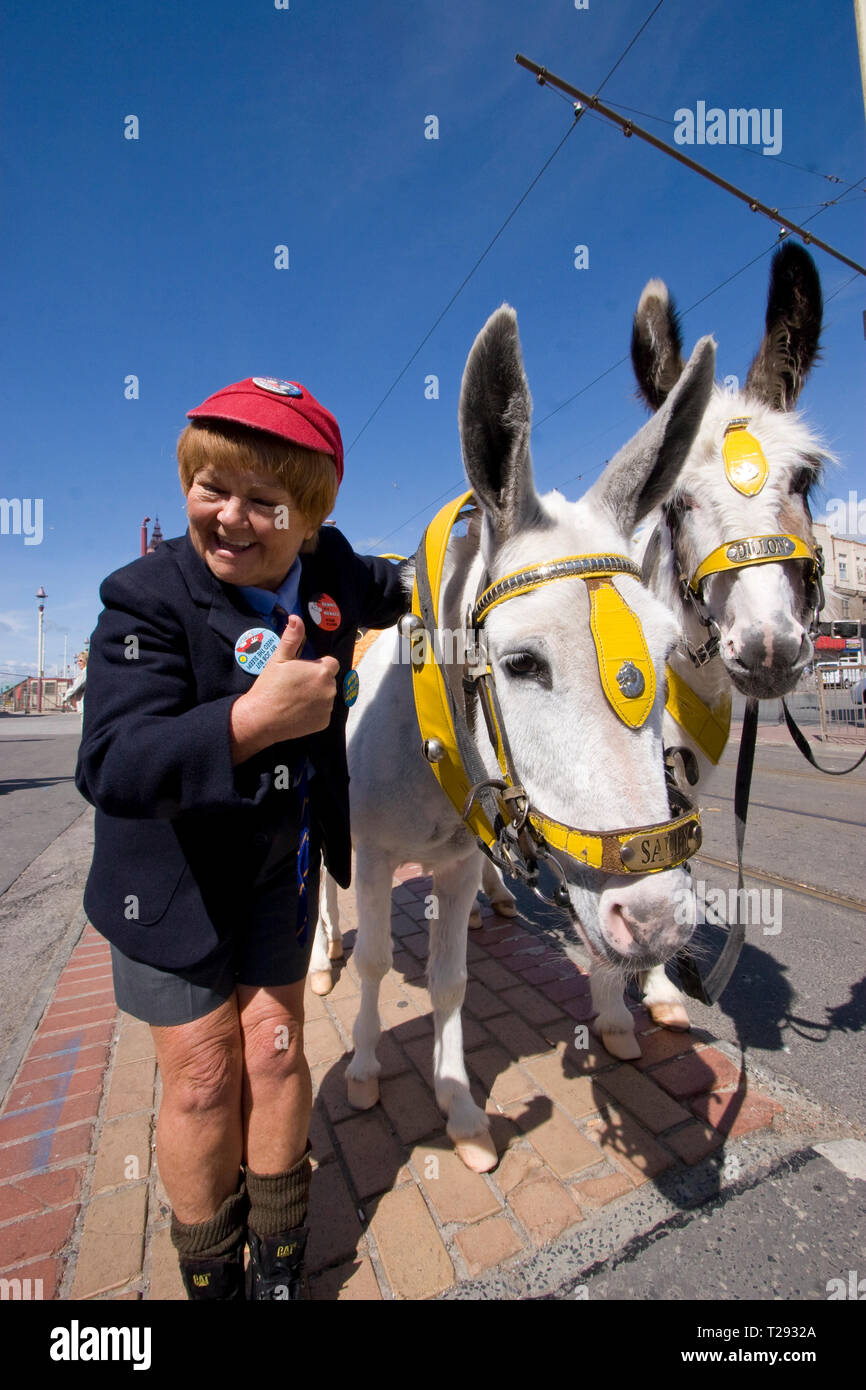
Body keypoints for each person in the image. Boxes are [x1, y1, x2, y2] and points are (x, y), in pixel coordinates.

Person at [75, 376, 410, 1299]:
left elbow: (403, 584)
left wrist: (476, 559)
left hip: (278, 867)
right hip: (169, 880)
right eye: (210, 487)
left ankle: (279, 1263)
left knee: (273, 1047)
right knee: (200, 1075)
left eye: (265, 502)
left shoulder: (334, 568)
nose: (230, 519)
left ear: (308, 519)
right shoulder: (143, 602)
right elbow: (112, 765)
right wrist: (248, 723)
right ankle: (212, 1278)